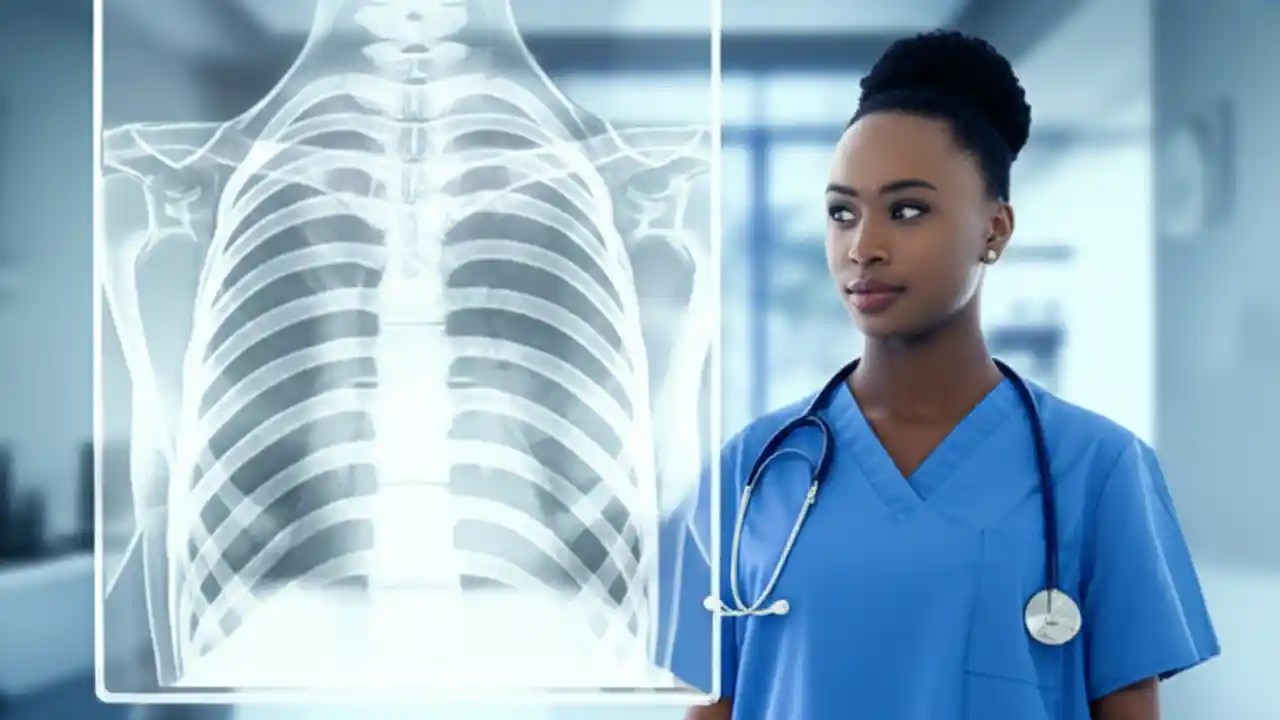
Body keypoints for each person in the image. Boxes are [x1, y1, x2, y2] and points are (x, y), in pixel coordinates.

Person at [656, 29, 1220, 720]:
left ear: (995, 229)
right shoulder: (753, 467)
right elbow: (713, 707)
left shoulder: (1100, 471)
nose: (864, 247)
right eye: (842, 212)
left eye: (908, 210)